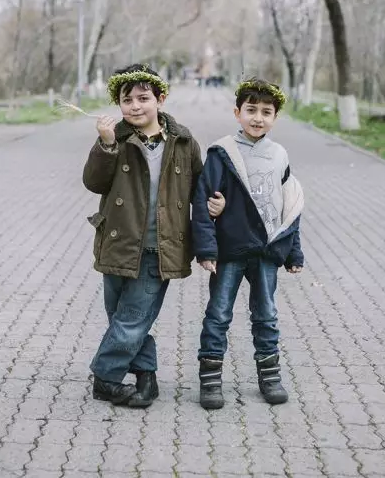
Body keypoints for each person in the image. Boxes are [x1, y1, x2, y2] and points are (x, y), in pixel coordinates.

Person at [82, 63, 224, 408]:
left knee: (131, 319)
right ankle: (146, 375)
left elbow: (199, 187)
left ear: (160, 99)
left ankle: (105, 378)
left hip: (158, 249)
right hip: (117, 243)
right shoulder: (116, 137)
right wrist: (106, 145)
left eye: (143, 98)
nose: (135, 106)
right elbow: (94, 182)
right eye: (126, 100)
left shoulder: (184, 141)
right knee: (123, 317)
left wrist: (213, 206)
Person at [191, 77, 305, 410]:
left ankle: (269, 376)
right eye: (251, 110)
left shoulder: (279, 155)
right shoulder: (221, 153)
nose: (258, 118)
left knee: (266, 315)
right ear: (237, 112)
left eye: (266, 112)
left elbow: (290, 206)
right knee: (218, 314)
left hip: (266, 252)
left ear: (275, 117)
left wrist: (293, 252)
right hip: (230, 250)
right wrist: (207, 249)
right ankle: (210, 379)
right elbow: (202, 201)